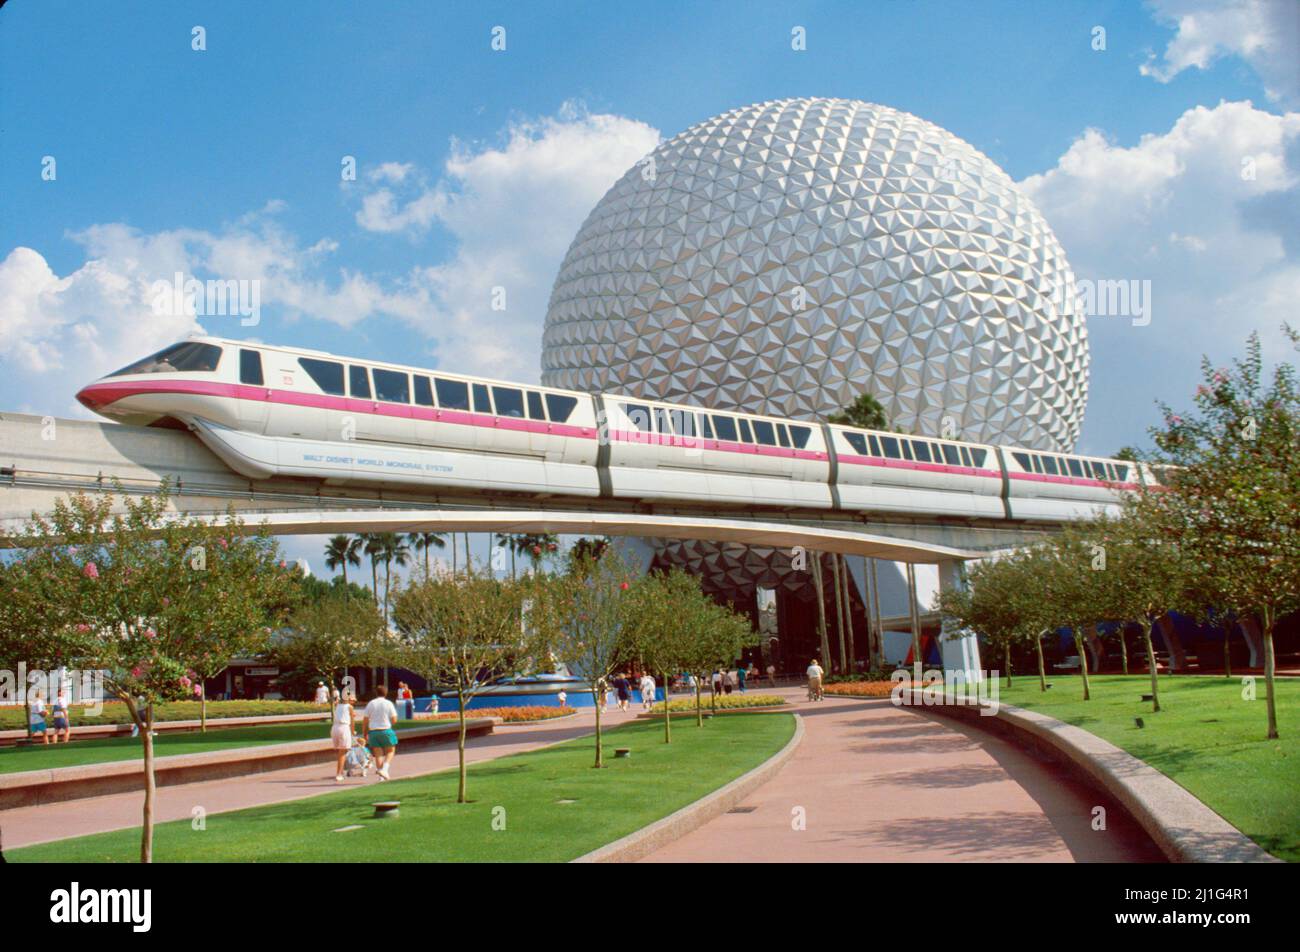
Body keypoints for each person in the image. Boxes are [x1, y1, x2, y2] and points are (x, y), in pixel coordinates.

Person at [362, 685, 400, 781]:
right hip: (386, 729)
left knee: (378, 754)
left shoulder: (371, 703)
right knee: (390, 751)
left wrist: (365, 733)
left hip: (373, 731)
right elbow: (394, 719)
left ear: (376, 693)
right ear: (386, 693)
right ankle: (385, 769)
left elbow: (365, 720)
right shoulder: (388, 703)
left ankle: (381, 776)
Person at [331, 692, 355, 782]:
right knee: (343, 752)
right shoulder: (350, 707)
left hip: (335, 728)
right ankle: (339, 773)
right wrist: (352, 732)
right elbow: (352, 722)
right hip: (343, 728)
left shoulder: (338, 705)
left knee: (341, 751)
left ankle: (344, 770)